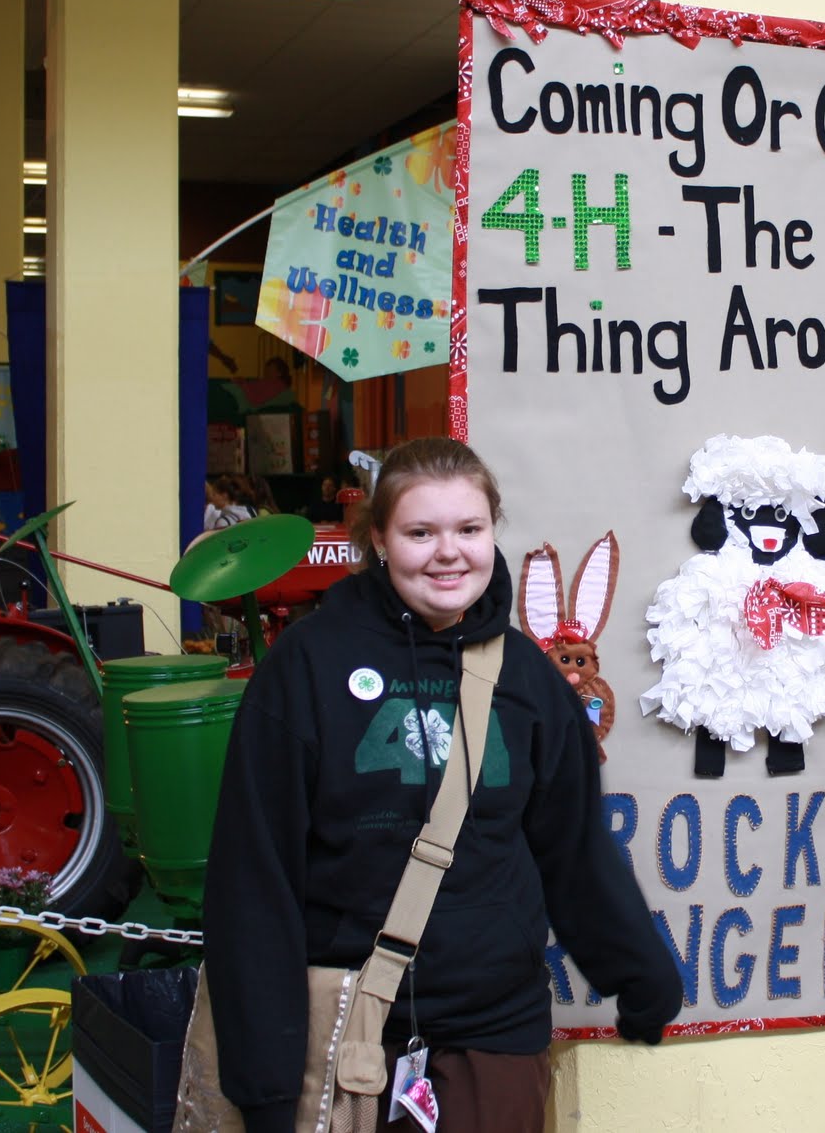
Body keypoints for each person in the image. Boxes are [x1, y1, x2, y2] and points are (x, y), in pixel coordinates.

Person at [202, 437, 683, 1133]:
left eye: (469, 529)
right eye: (420, 532)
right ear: (379, 538)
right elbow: (254, 879)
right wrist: (267, 1085)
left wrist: (641, 974)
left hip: (494, 1035)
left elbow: (573, 848)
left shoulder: (527, 680)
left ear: (493, 532)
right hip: (348, 1035)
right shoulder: (306, 666)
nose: (448, 552)